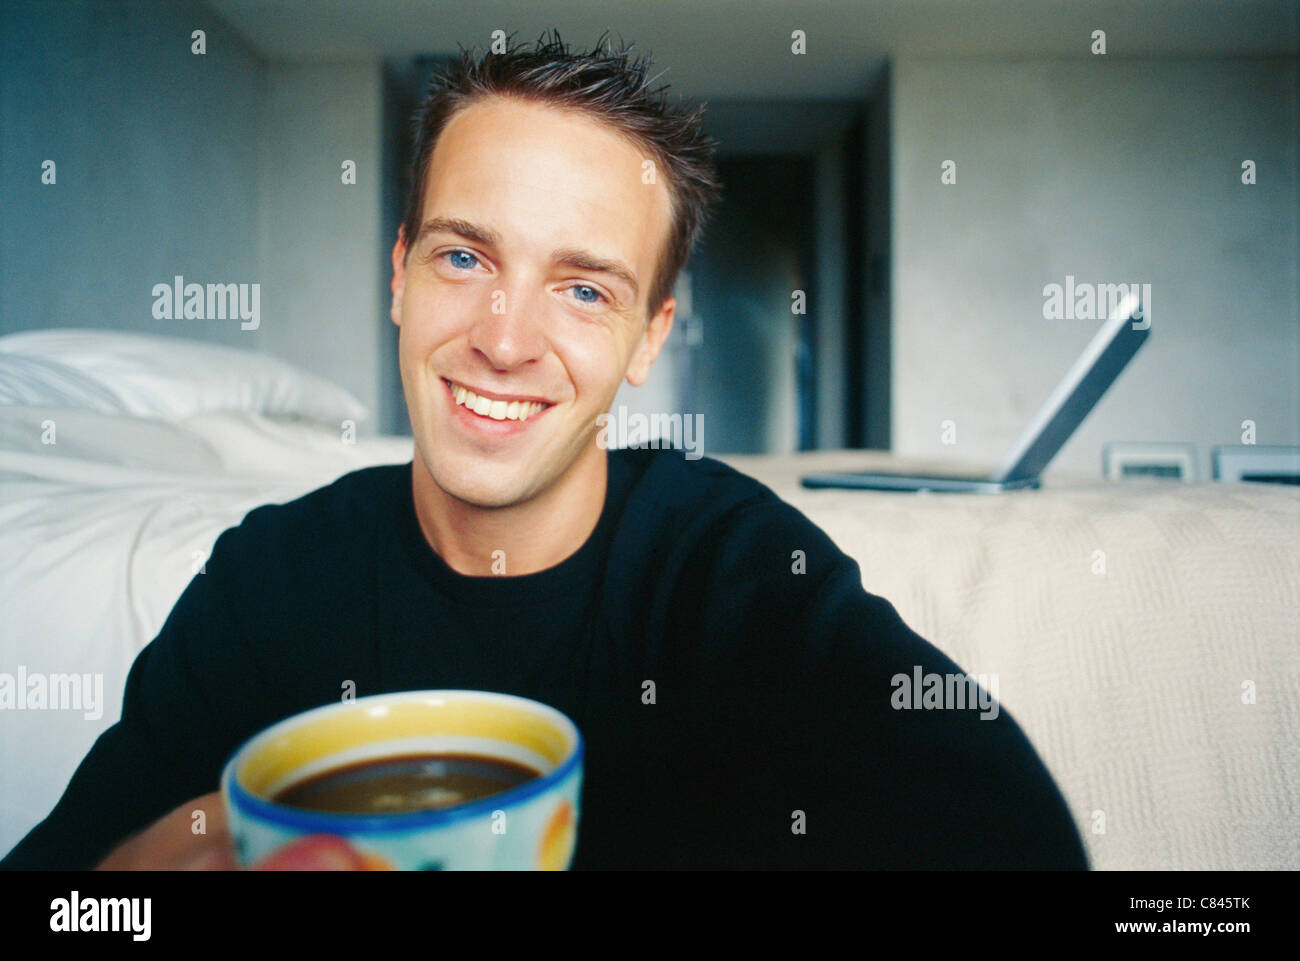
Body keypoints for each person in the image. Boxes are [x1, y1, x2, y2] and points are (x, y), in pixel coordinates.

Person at [1, 34, 1087, 871]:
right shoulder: (273, 575)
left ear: (649, 338)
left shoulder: (719, 565)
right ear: (398, 275)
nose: (505, 339)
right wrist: (206, 839)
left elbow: (1019, 846)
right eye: (465, 255)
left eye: (581, 288)